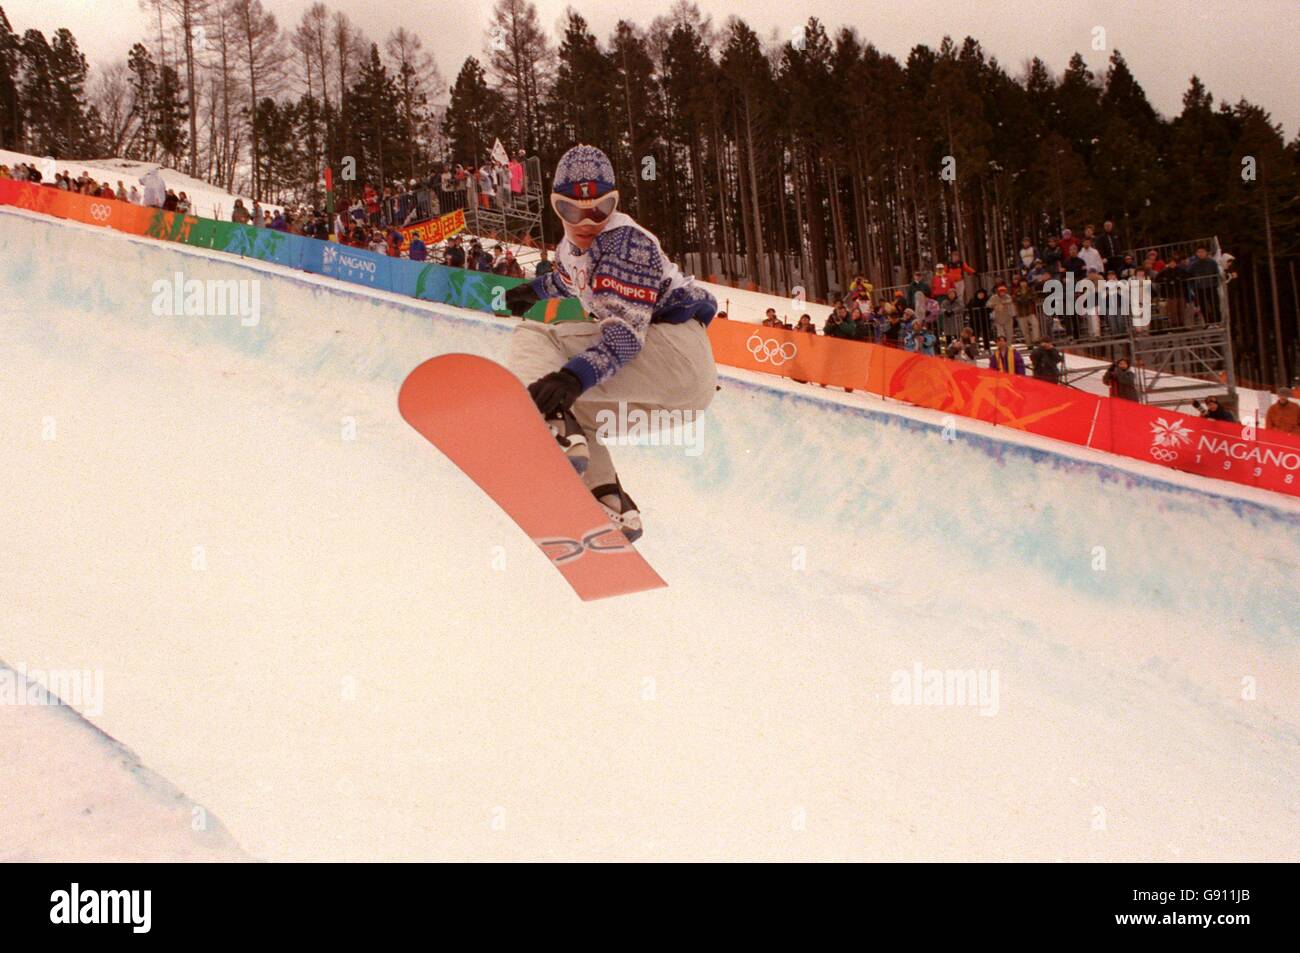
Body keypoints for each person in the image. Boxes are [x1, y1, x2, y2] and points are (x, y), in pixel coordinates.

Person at [501, 145, 717, 541]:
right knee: (578, 411)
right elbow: (568, 279)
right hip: (684, 393)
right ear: (556, 207)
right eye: (571, 210)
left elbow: (626, 334)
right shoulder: (573, 250)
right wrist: (532, 292)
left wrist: (570, 378)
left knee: (536, 335)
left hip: (671, 348)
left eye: (600, 209)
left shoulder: (624, 243)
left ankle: (548, 424)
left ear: (614, 205)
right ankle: (608, 501)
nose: (586, 221)